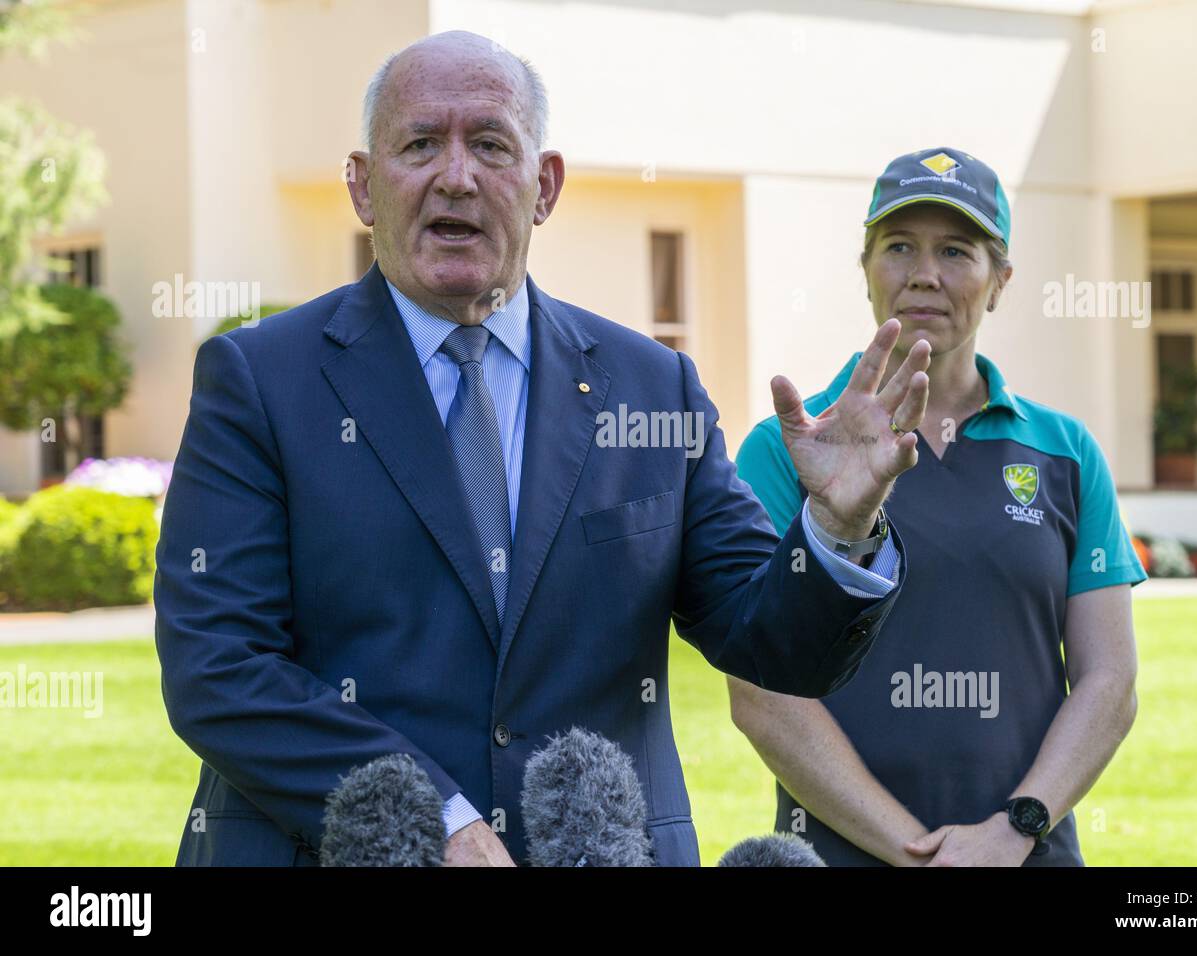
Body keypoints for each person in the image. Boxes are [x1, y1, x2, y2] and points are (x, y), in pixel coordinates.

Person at [153, 32, 933, 867]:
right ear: (363, 186)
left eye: (490, 144)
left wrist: (839, 532)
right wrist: (435, 820)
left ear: (544, 185)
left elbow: (772, 642)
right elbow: (219, 666)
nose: (457, 176)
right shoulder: (261, 380)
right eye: (419, 145)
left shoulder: (652, 387)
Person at [728, 148, 1146, 866]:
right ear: (866, 270)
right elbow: (764, 697)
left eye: (955, 250)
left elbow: (1109, 681)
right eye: (898, 247)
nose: (924, 273)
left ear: (1001, 280)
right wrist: (919, 852)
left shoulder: (1066, 453)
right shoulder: (788, 447)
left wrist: (1016, 827)